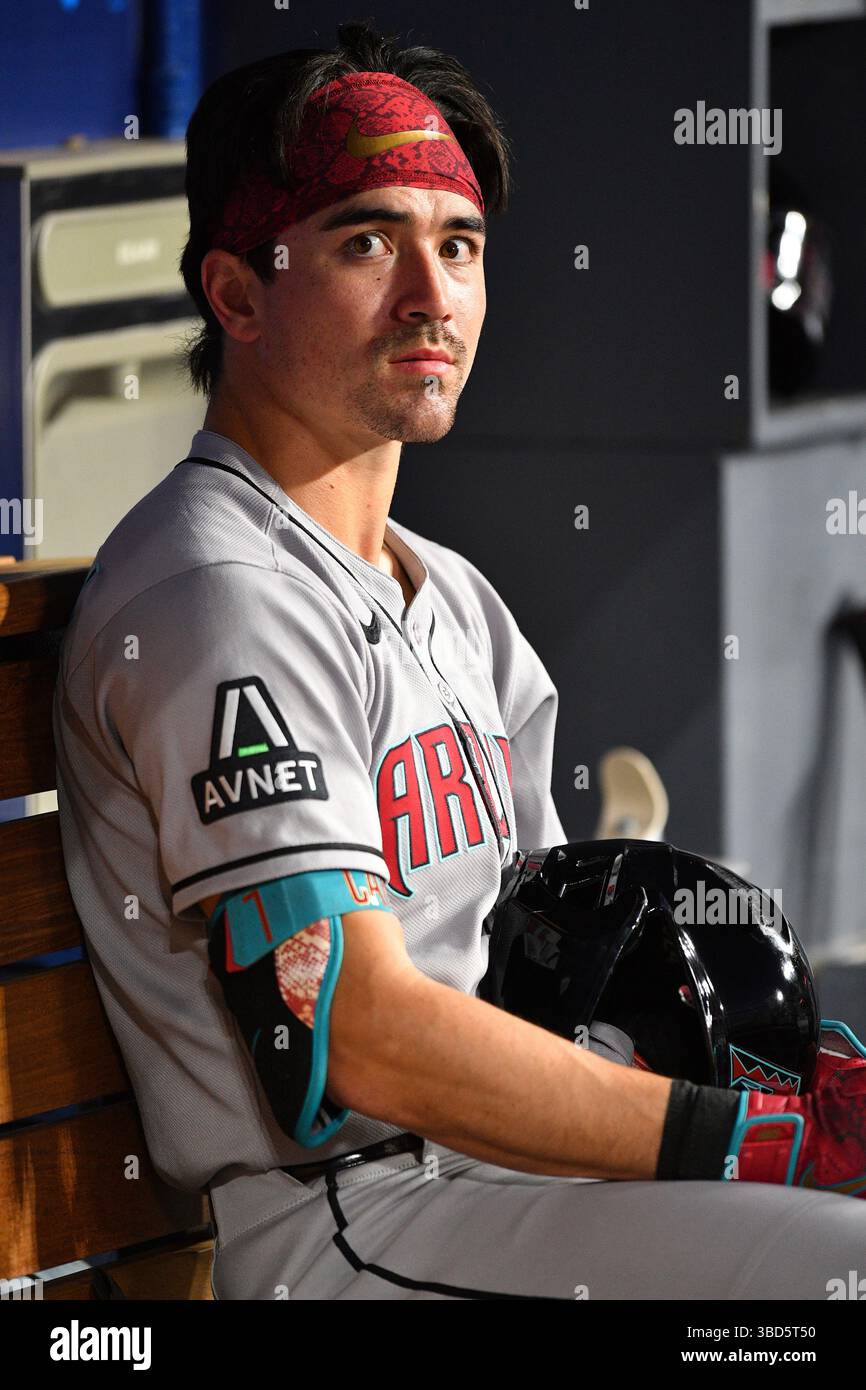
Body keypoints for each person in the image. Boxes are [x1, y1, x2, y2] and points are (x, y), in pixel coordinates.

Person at [53, 21, 866, 1300]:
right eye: (367, 243)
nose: (432, 295)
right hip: (353, 1225)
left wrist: (779, 1067)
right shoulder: (218, 593)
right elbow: (355, 1034)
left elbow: (552, 973)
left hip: (501, 1185)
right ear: (236, 293)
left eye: (461, 245)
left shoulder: (455, 600)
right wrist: (751, 1139)